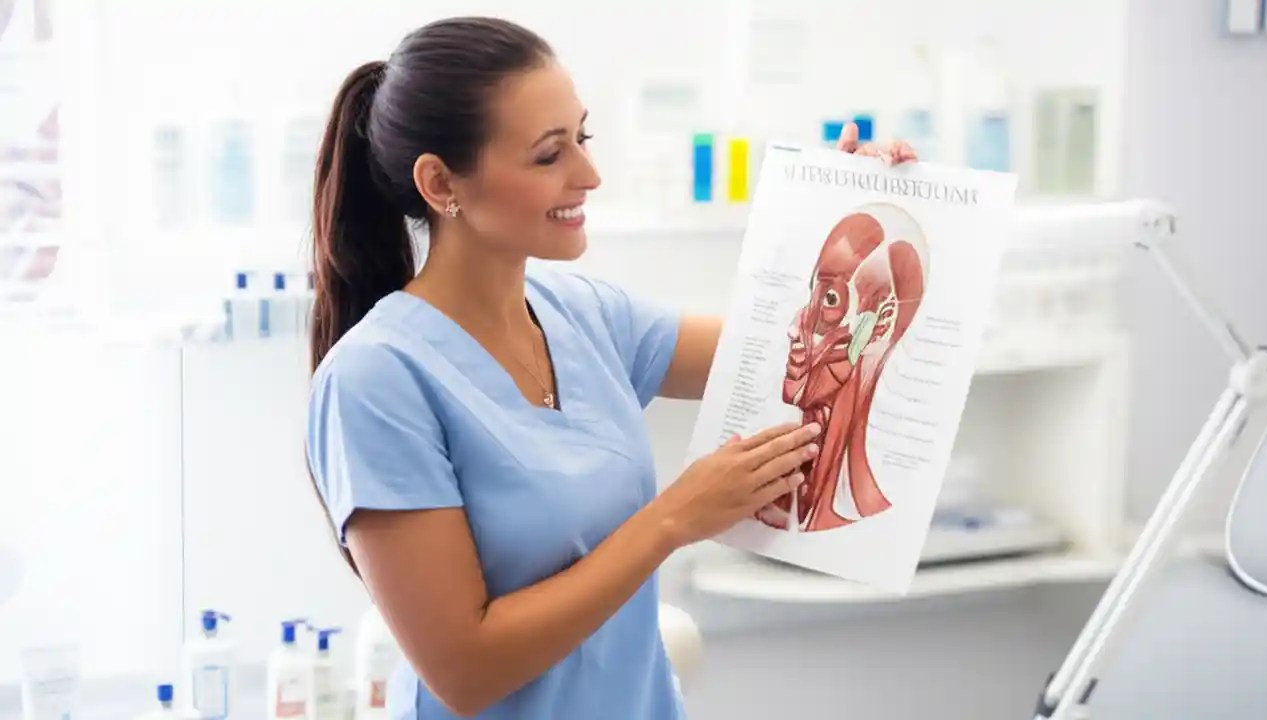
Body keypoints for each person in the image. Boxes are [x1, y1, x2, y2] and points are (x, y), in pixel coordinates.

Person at [304, 16, 916, 720]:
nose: (589, 175)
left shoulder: (585, 315)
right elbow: (465, 674)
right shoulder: (376, 381)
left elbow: (807, 344)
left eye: (583, 138)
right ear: (441, 182)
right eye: (548, 155)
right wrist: (672, 521)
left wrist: (861, 206)